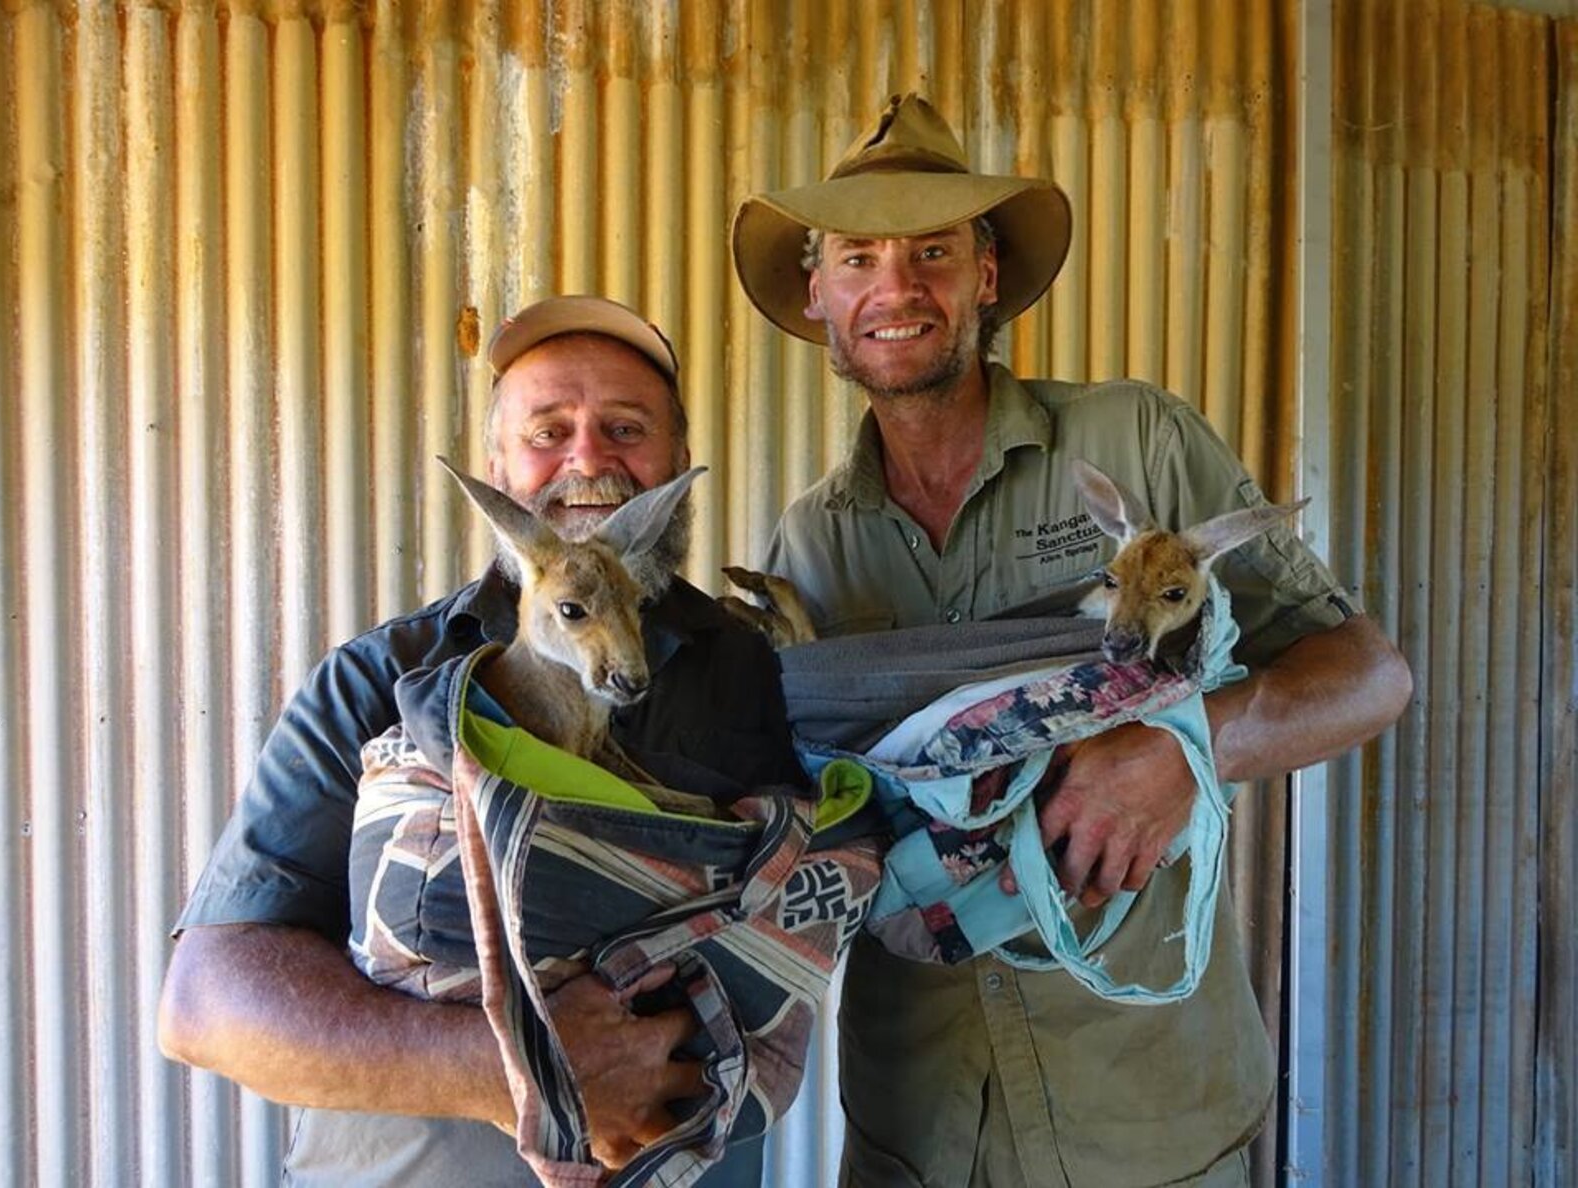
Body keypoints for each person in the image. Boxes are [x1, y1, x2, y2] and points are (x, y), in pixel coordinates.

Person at [731, 94, 1414, 1187]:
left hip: (1144, 1120)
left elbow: (1369, 677)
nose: (896, 290)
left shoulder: (1134, 439)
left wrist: (1180, 752)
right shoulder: (811, 542)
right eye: (857, 258)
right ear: (818, 294)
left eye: (935, 253)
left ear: (987, 277)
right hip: (915, 1126)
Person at [158, 295, 797, 1186]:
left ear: (676, 467)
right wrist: (524, 1072)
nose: (588, 458)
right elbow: (206, 1004)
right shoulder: (383, 679)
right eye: (547, 432)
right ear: (499, 472)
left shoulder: (755, 676)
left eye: (625, 426)